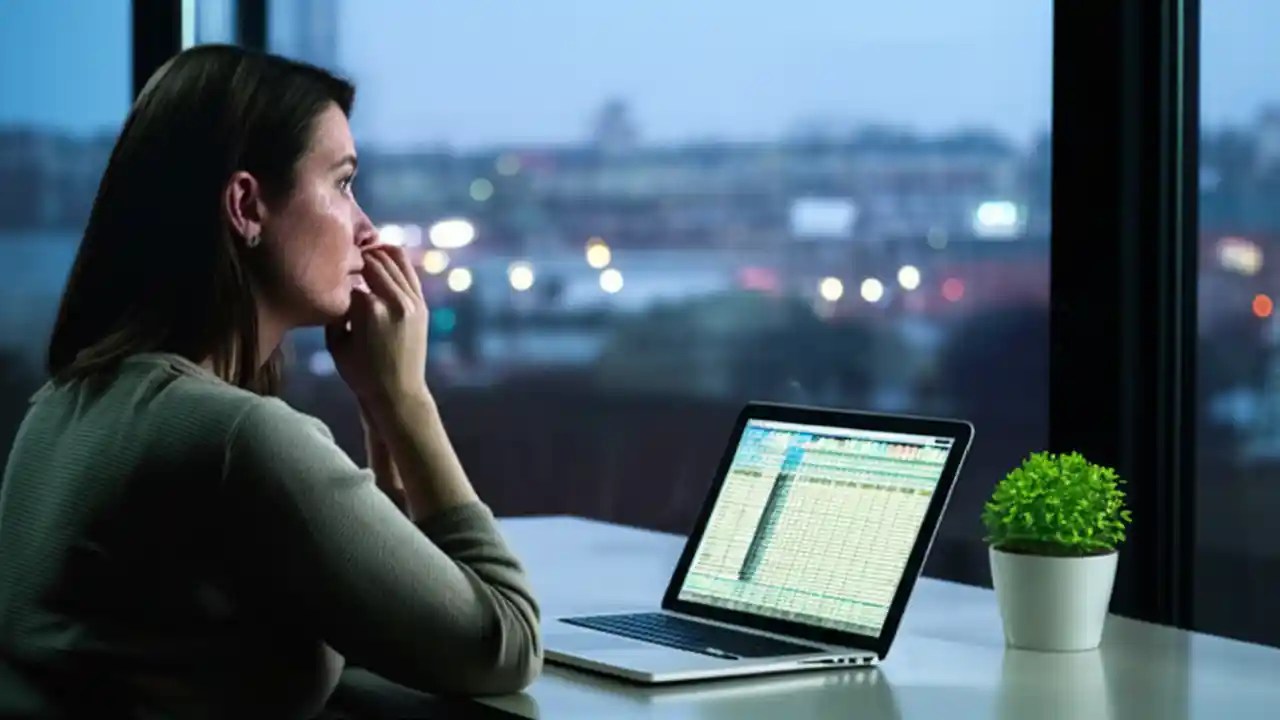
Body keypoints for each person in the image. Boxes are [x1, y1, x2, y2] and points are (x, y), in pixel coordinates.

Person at [0, 45, 541, 718]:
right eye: (342, 184)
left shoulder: (63, 404)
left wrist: (379, 408)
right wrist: (405, 399)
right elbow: (503, 642)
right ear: (247, 206)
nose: (366, 228)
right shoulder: (238, 440)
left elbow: (391, 613)